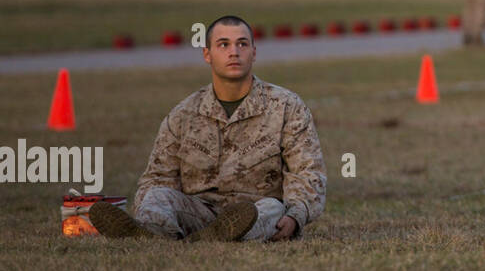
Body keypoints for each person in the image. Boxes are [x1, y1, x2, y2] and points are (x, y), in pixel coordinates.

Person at [89, 15, 326, 241]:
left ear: (254, 53)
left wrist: (296, 216)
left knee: (272, 209)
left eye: (242, 44)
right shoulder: (184, 114)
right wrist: (150, 207)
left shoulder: (286, 106)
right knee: (158, 197)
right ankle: (152, 231)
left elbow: (307, 172)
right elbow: (157, 178)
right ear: (207, 54)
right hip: (199, 214)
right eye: (223, 45)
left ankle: (208, 236)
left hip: (257, 211)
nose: (234, 52)